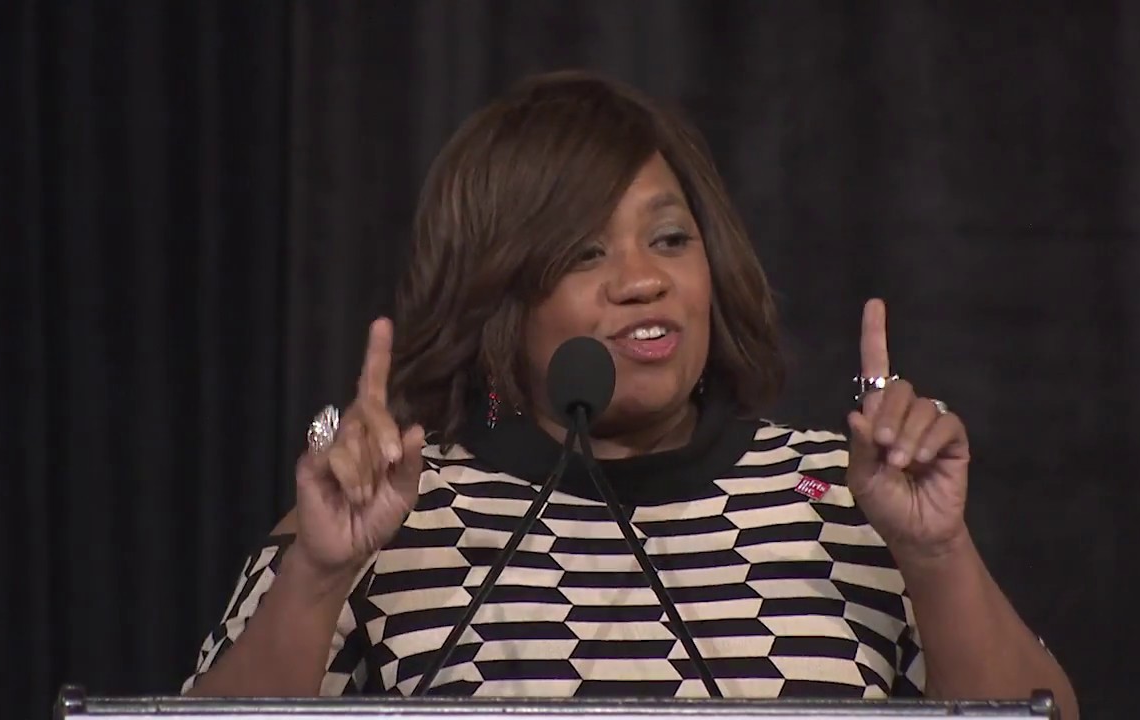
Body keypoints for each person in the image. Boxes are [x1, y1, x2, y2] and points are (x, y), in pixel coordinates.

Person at [181, 70, 1078, 717]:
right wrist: (317, 579)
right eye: (583, 253)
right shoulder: (386, 511)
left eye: (671, 239)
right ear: (501, 299)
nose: (642, 281)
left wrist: (935, 552)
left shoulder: (846, 493)